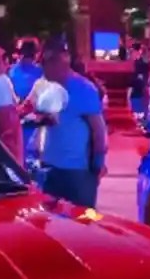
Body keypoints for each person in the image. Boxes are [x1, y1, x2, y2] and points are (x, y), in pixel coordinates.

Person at [31, 43, 108, 208]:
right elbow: (34, 117)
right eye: (42, 63)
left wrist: (98, 162)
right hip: (48, 169)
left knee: (82, 223)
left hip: (77, 172)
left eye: (48, 63)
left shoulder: (84, 89)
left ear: (62, 63)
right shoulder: (42, 86)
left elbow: (98, 130)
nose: (43, 68)